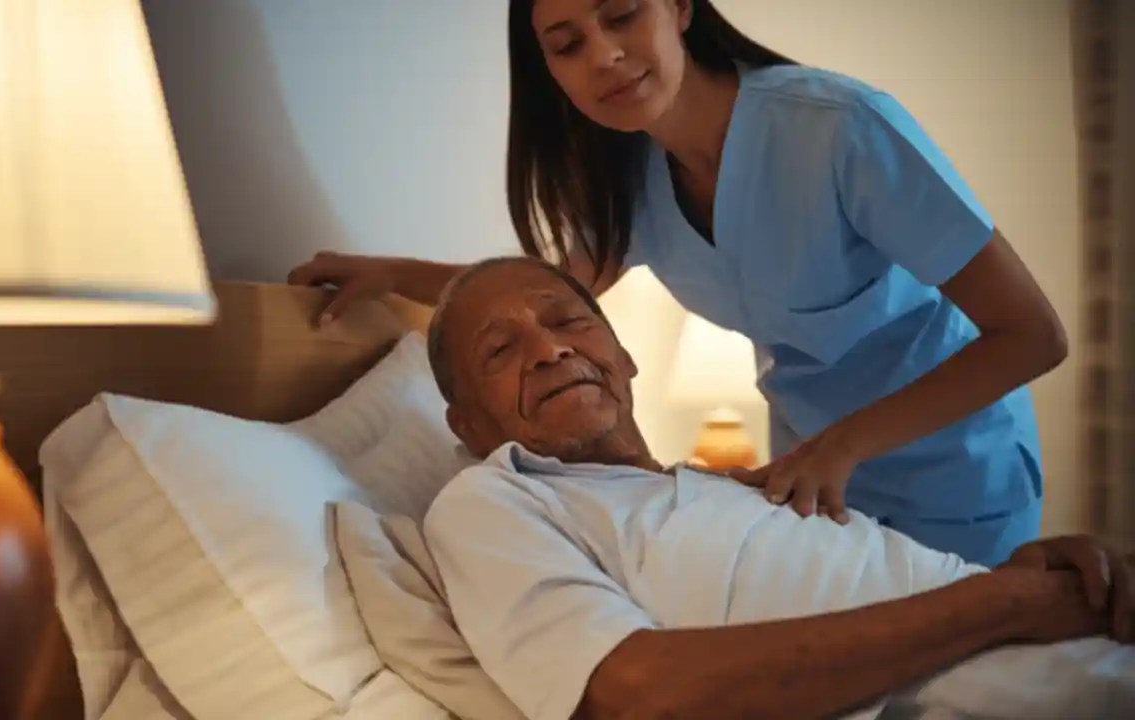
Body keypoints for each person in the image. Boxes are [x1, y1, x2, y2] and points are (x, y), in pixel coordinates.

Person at [289, 0, 1067, 567]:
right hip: (810, 484)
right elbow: (531, 295)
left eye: (621, 15)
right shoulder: (625, 180)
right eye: (566, 44)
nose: (602, 56)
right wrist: (389, 274)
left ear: (678, 8)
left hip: (952, 471)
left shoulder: (838, 129)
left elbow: (1033, 335)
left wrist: (845, 446)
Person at [420, 256, 1131, 720]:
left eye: (568, 319)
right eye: (499, 350)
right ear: (469, 424)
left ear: (625, 355)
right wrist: (1002, 601)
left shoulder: (722, 488)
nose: (550, 349)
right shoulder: (496, 501)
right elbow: (642, 696)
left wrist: (1031, 579)